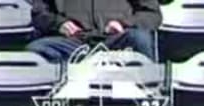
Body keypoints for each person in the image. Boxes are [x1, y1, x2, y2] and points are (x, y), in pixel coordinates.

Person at [28, 0, 160, 63]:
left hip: (116, 40)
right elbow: (39, 14)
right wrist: (58, 24)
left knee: (139, 38)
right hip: (74, 42)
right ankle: (61, 92)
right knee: (38, 48)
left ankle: (149, 90)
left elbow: (152, 15)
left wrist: (123, 24)